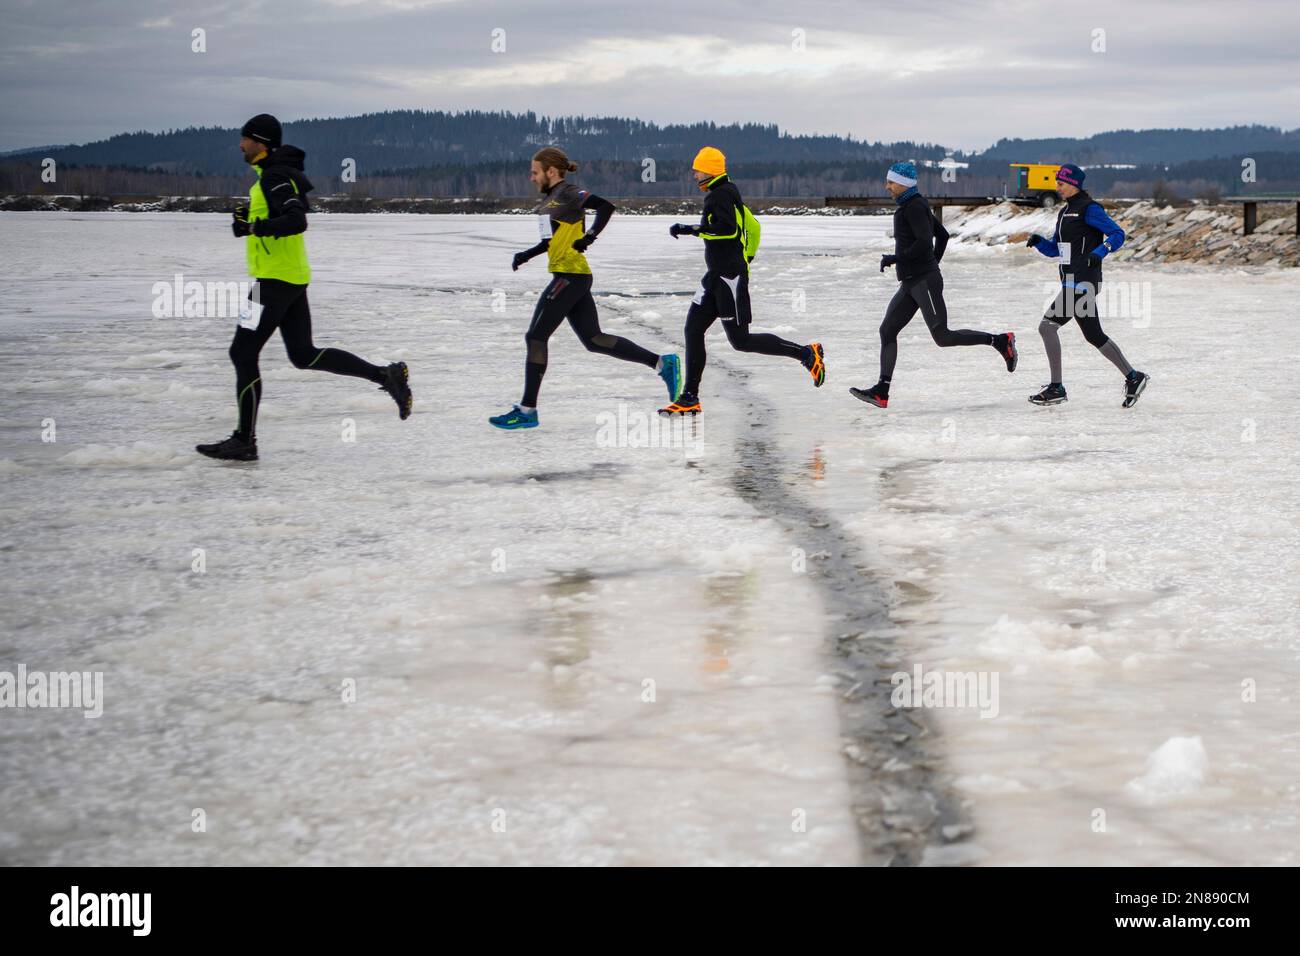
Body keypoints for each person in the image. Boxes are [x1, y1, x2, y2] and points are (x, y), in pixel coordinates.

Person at [197, 113, 411, 461]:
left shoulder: (276, 175)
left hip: (274, 282)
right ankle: (386, 376)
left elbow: (297, 220)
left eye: (244, 139)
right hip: (287, 278)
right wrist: (247, 223)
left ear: (260, 142)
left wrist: (255, 228)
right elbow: (277, 217)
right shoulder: (271, 175)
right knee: (303, 354)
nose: (240, 145)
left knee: (242, 353)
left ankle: (244, 439)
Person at [489, 147, 681, 430]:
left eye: (534, 172)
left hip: (570, 276)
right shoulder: (546, 204)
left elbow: (605, 207)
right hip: (570, 275)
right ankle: (663, 364)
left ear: (551, 172)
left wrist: (589, 236)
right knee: (594, 340)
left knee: (535, 337)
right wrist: (526, 255)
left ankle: (528, 410)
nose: (531, 177)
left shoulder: (568, 192)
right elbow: (548, 243)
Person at [659, 146, 824, 416]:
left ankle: (806, 354)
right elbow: (753, 226)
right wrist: (747, 255)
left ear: (710, 170)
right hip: (715, 278)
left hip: (728, 279)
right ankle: (690, 397)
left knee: (741, 341)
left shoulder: (720, 196)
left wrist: (692, 230)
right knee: (692, 330)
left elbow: (728, 230)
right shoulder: (727, 191)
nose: (694, 175)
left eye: (697, 169)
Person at [850, 161, 1017, 409]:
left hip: (922, 281)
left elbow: (924, 242)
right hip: (912, 282)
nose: (887, 186)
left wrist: (904, 260)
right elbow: (943, 235)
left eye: (891, 182)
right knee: (887, 330)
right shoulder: (912, 205)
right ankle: (881, 391)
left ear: (904, 183)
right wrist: (931, 265)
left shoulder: (914, 206)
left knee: (943, 336)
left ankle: (1000, 341)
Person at [1025, 163, 1149, 407]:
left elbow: (1117, 234)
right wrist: (1040, 243)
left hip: (1083, 282)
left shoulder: (1090, 209)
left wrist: (1101, 251)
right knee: (1094, 336)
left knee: (1047, 327)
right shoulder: (1064, 213)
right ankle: (1134, 377)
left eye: (1061, 184)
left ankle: (1056, 387)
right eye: (1057, 184)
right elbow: (1057, 250)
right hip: (1071, 281)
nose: (1057, 188)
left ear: (1074, 184)